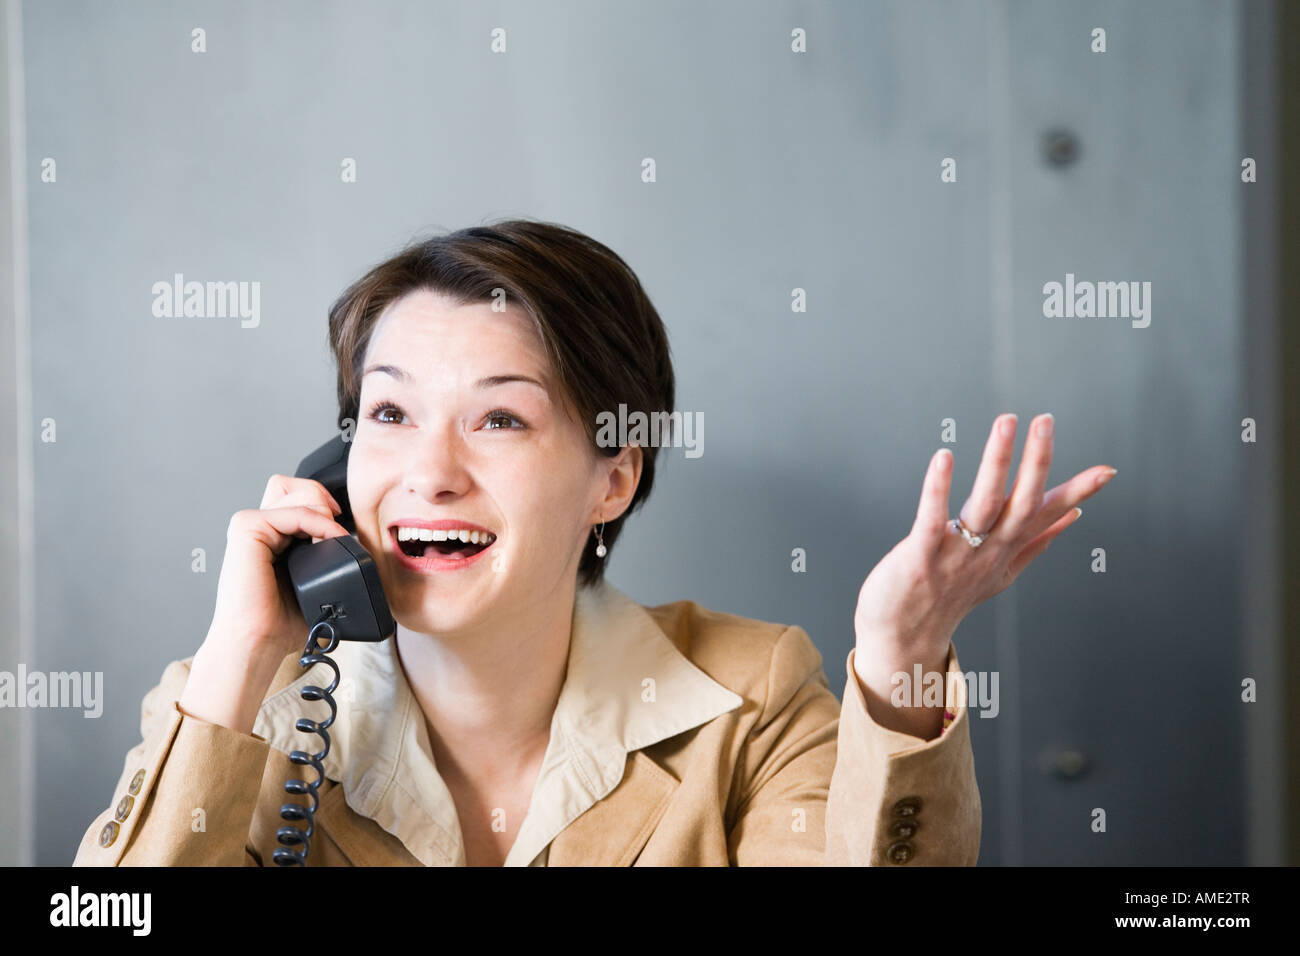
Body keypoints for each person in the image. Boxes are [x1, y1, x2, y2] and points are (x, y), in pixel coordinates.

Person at [73, 219, 1115, 866]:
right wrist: (236, 665)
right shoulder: (231, 710)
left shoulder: (751, 702)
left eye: (499, 418)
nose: (429, 471)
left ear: (611, 475)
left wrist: (899, 664)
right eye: (388, 416)